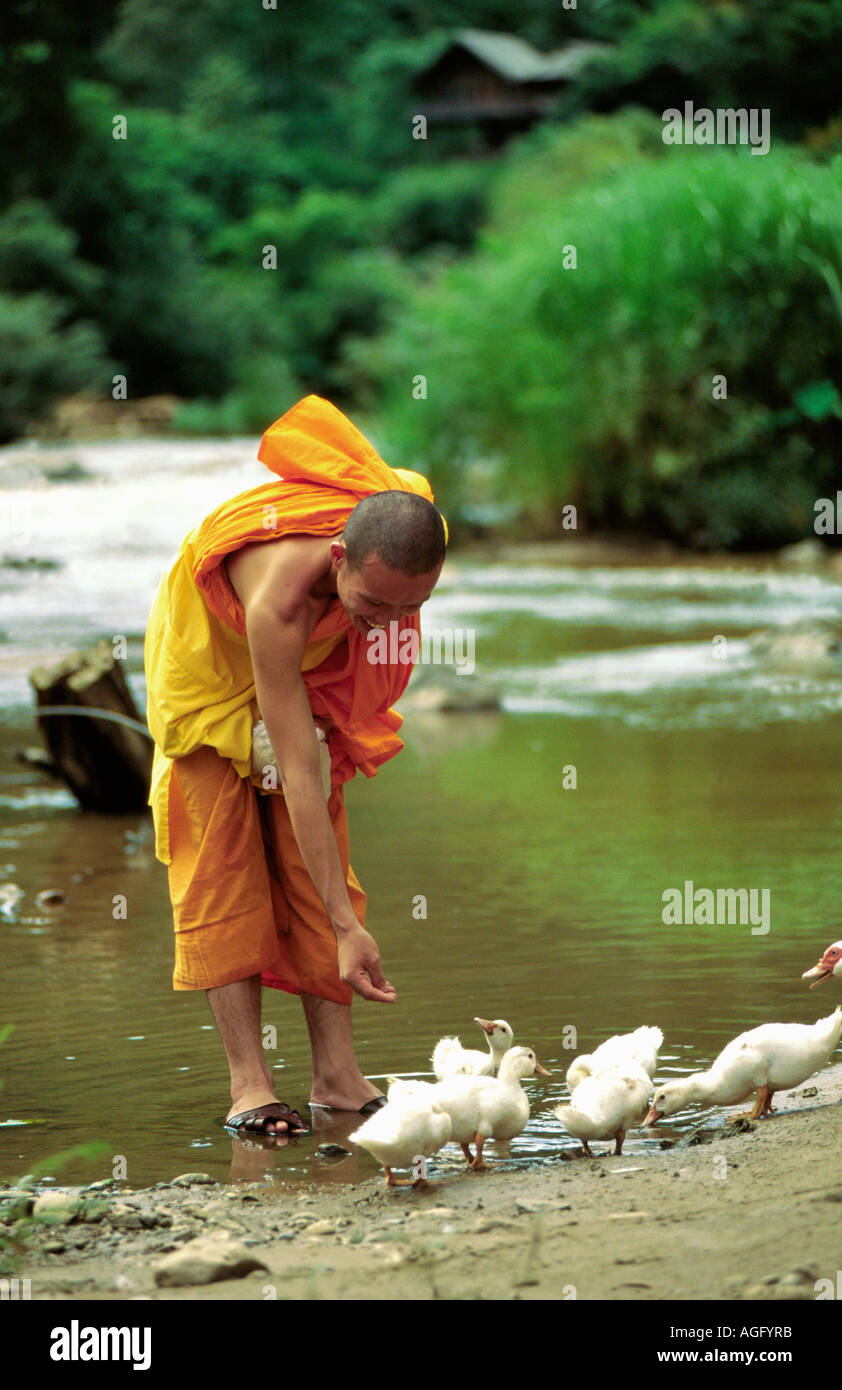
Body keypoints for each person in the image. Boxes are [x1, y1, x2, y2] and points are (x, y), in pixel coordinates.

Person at [144, 395, 447, 1136]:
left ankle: (338, 1078)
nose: (385, 624)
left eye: (409, 609)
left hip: (300, 676)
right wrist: (351, 929)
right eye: (373, 602)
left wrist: (340, 917)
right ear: (338, 557)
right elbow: (297, 774)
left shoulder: (397, 536)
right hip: (210, 677)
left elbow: (313, 785)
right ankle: (249, 1083)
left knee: (321, 862)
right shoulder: (279, 602)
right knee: (224, 865)